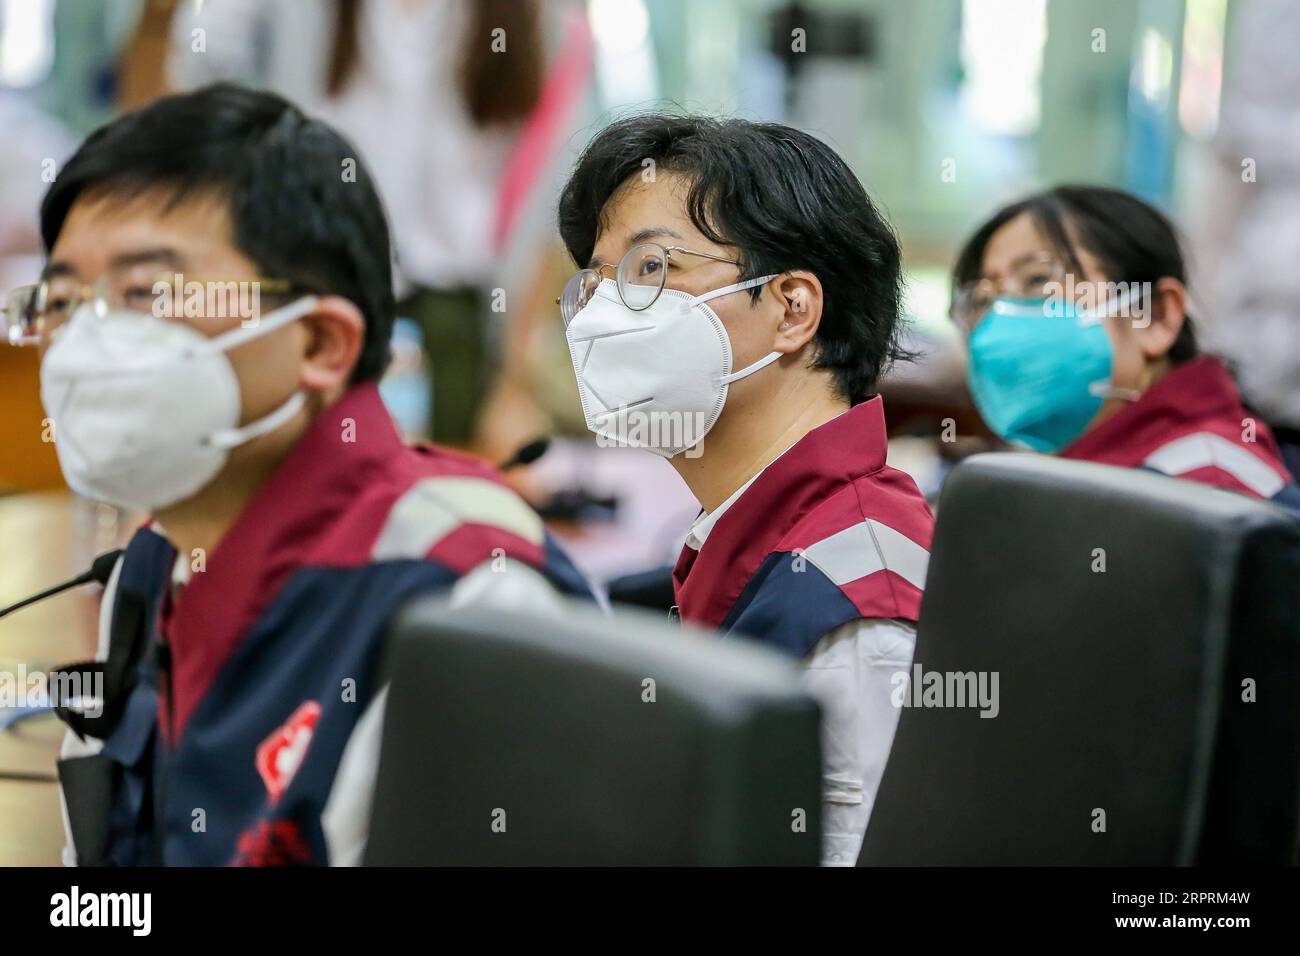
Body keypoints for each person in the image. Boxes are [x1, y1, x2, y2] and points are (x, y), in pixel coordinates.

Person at [17, 84, 591, 866]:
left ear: (320, 341)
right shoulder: (150, 567)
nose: (85, 343)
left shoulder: (467, 603)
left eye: (145, 291)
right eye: (63, 299)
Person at [556, 114, 935, 865]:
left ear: (793, 308)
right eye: (595, 283)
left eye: (651, 271)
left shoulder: (856, 601)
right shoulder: (758, 530)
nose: (600, 317)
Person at [951, 185, 1300, 515]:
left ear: (1155, 316)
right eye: (982, 299)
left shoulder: (1208, 489)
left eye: (1038, 280)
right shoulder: (1066, 472)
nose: (999, 319)